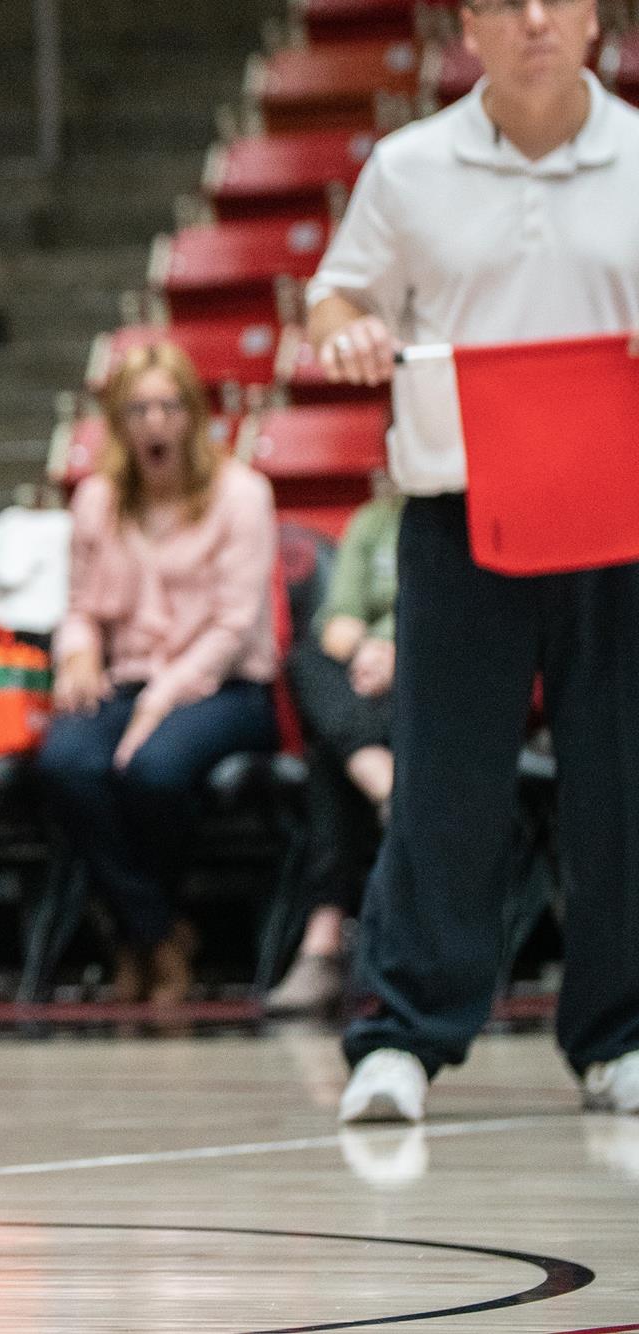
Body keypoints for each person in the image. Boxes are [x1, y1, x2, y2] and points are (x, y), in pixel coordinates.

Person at [310, 0, 639, 1123]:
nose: (534, 18)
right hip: (457, 512)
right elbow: (329, 298)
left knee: (621, 781)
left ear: (597, 18)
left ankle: (620, 1033)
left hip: (618, 512)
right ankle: (398, 1034)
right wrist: (345, 328)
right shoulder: (407, 169)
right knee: (442, 782)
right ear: (469, 26)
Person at [36, 342, 279, 1008]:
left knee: (154, 770)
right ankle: (158, 932)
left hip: (225, 686)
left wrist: (159, 706)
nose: (153, 422)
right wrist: (78, 655)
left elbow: (233, 630)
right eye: (137, 409)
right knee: (65, 761)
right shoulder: (98, 500)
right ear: (118, 422)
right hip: (130, 678)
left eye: (167, 406)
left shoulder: (241, 495)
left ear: (193, 417)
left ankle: (138, 939)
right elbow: (80, 610)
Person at [265, 481, 402, 1016]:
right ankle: (387, 785)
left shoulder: (465, 516)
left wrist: (395, 644)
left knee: (329, 750)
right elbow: (337, 621)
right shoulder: (373, 522)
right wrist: (368, 649)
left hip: (436, 673)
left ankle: (323, 940)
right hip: (366, 680)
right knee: (307, 662)